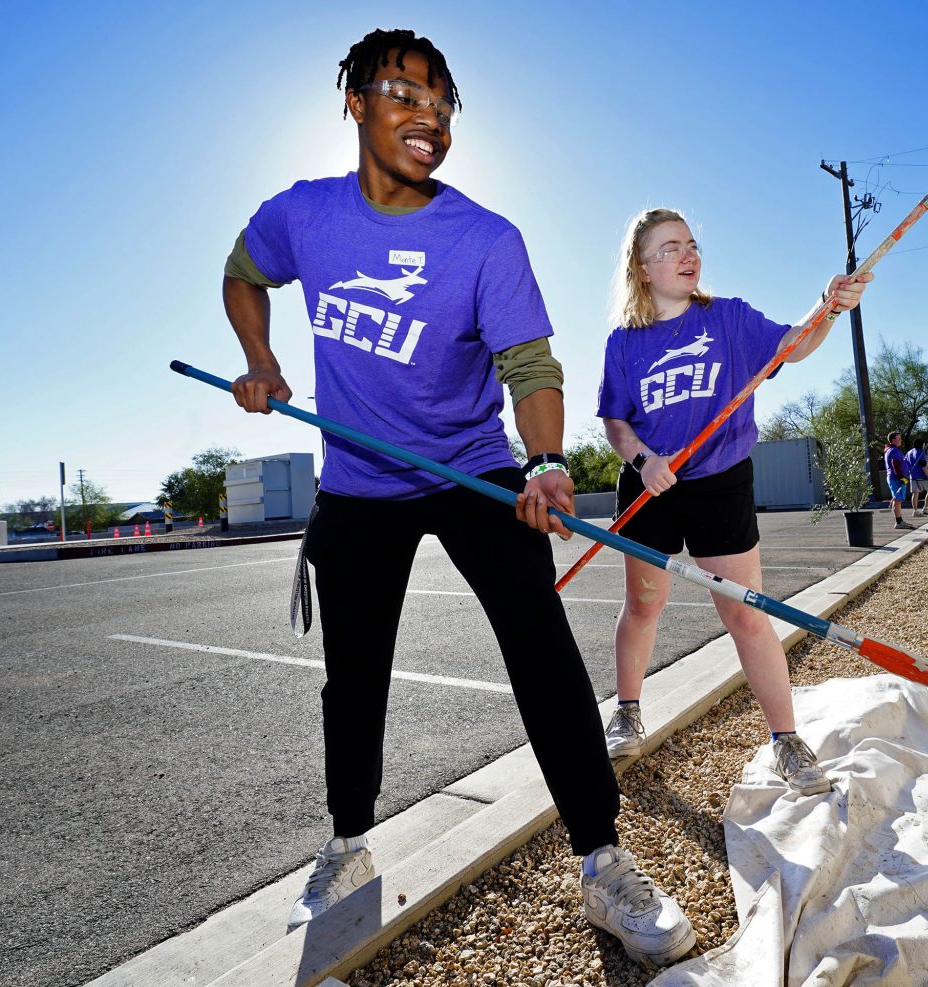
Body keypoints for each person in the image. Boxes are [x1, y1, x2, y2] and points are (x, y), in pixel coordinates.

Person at [220, 30, 695, 969]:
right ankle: (349, 845)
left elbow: (530, 364)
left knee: (544, 653)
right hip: (358, 480)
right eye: (404, 93)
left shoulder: (484, 238)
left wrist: (548, 461)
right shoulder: (303, 217)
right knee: (354, 678)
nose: (427, 116)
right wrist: (262, 359)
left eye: (442, 103)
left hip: (474, 469)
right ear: (355, 103)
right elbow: (242, 271)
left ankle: (602, 860)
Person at [596, 207, 870, 795]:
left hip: (720, 480)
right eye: (670, 248)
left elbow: (792, 346)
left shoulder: (729, 319)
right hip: (650, 484)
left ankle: (787, 741)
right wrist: (644, 461)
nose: (688, 254)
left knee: (746, 612)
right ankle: (627, 709)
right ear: (642, 269)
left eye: (691, 243)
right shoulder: (624, 342)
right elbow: (616, 424)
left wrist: (828, 304)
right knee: (644, 605)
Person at [882, 431, 915, 529]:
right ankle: (898, 522)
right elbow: (895, 464)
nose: (901, 440)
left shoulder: (892, 450)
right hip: (896, 478)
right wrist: (902, 478)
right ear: (893, 440)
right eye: (899, 438)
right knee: (897, 500)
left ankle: (900, 520)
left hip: (896, 478)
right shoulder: (893, 451)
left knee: (898, 500)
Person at [906, 441, 928, 515]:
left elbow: (905, 463)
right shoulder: (921, 452)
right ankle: (926, 508)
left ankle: (915, 510)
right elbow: (923, 466)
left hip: (913, 476)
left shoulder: (909, 452)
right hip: (922, 476)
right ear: (922, 445)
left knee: (915, 493)